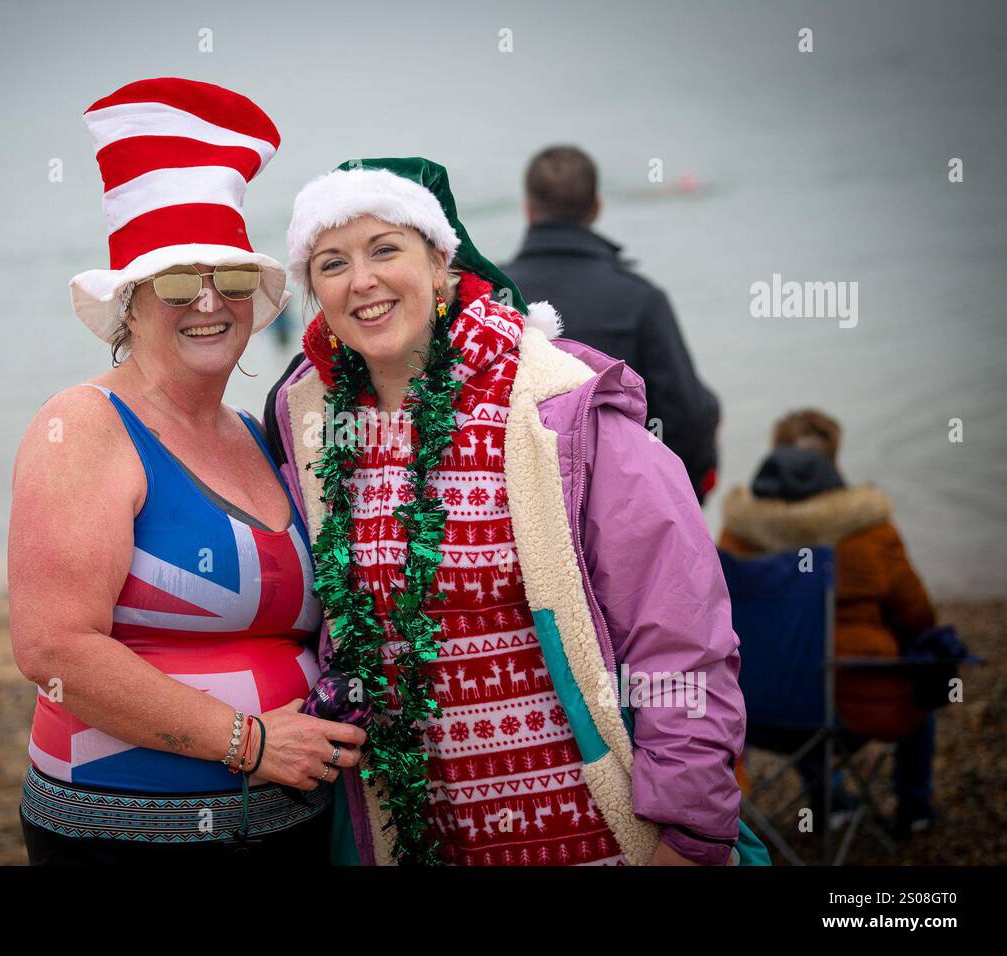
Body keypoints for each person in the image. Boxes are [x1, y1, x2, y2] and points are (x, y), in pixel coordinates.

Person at [265, 157, 754, 866]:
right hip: (421, 840)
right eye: (332, 262)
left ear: (440, 263)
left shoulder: (556, 406)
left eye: (385, 249)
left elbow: (680, 635)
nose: (361, 280)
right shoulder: (312, 423)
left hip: (590, 835)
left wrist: (690, 830)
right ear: (314, 290)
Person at [8, 77, 364, 865]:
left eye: (231, 277)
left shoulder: (256, 431)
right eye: (177, 280)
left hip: (290, 830)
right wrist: (248, 740)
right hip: (129, 836)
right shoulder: (85, 427)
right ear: (128, 304)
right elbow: (54, 648)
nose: (209, 299)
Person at [718, 409, 941, 836]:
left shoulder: (736, 535)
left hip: (754, 711)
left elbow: (715, 614)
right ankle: (914, 808)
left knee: (794, 666)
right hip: (850, 709)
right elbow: (918, 617)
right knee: (920, 680)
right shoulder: (870, 533)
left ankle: (829, 800)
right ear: (834, 462)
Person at [501, 145, 721, 504]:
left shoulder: (489, 297)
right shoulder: (641, 299)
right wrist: (683, 493)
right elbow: (689, 415)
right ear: (597, 208)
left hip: (511, 507)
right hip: (621, 505)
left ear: (528, 209)